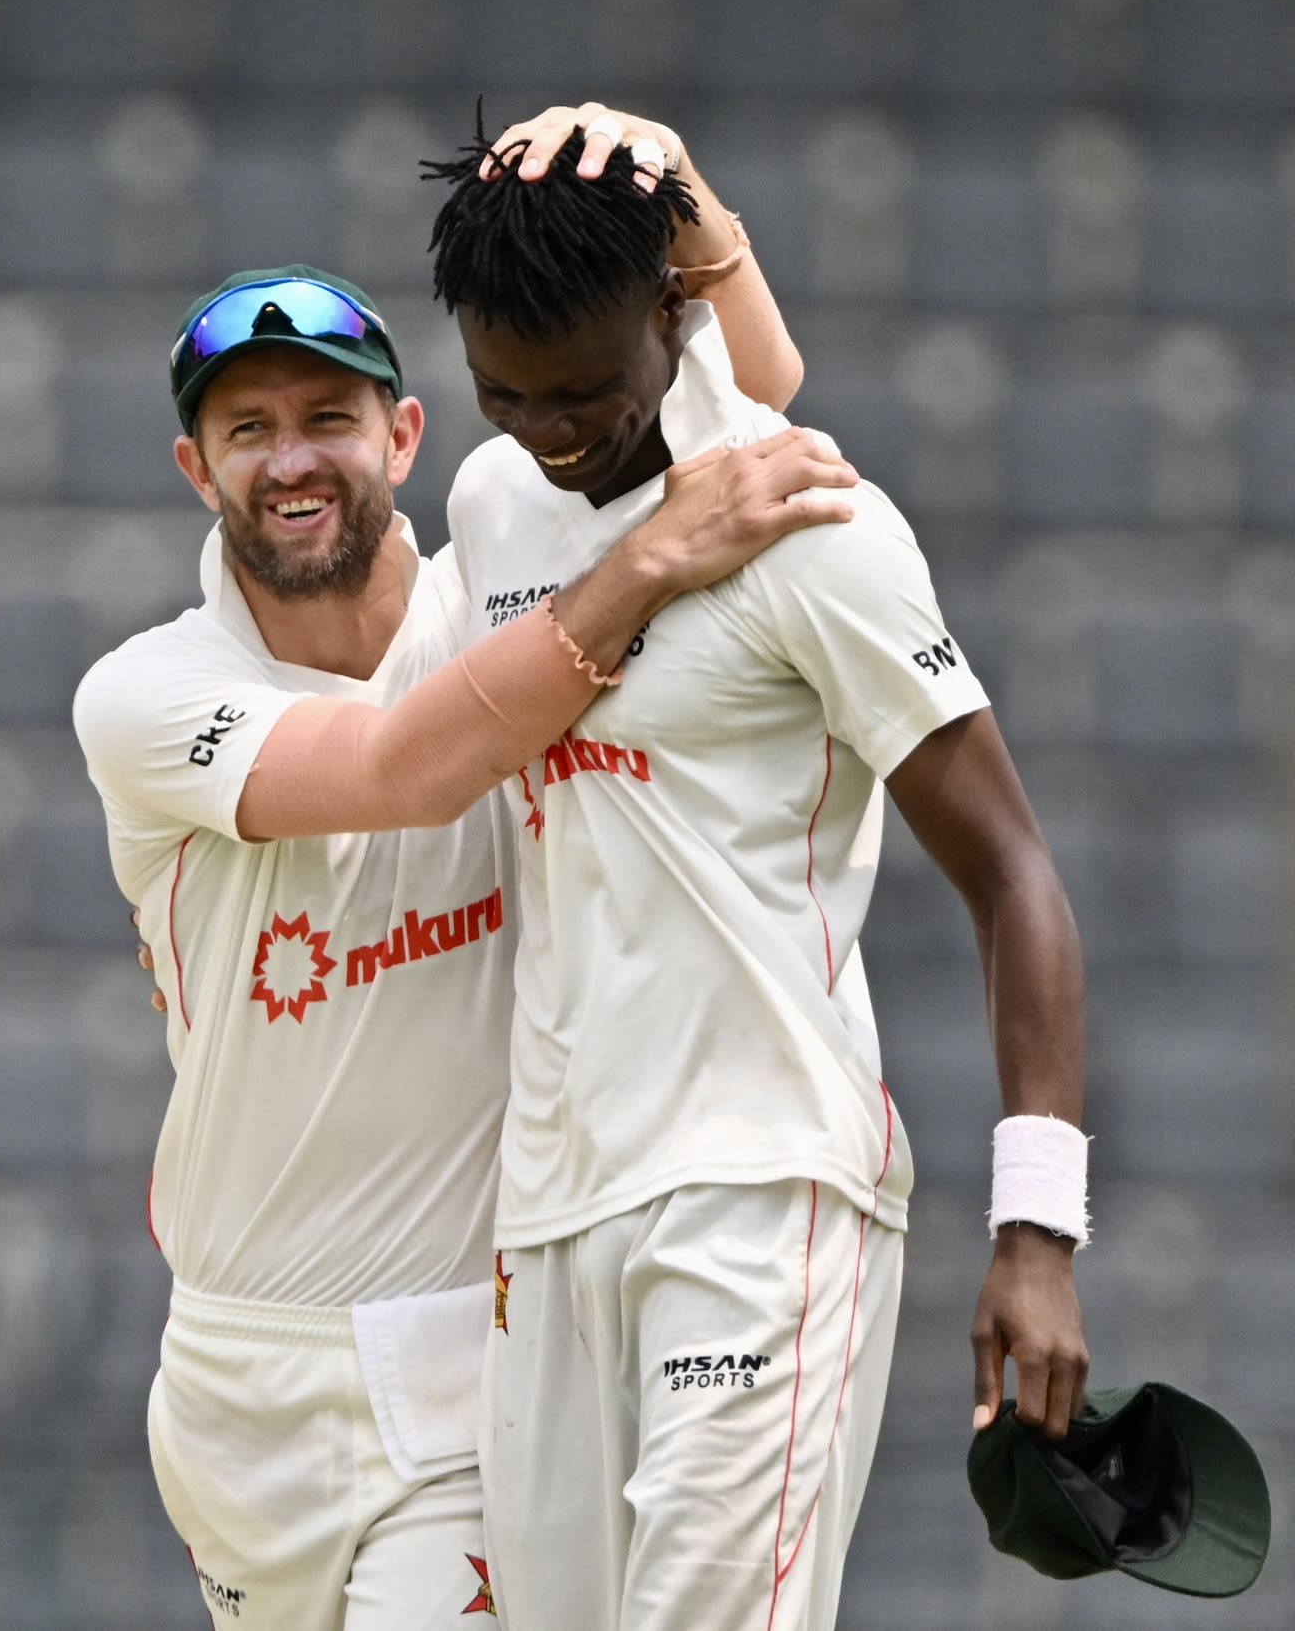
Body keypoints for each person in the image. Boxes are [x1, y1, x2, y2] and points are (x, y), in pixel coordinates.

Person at [73, 106, 857, 1631]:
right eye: (248, 431)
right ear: (195, 467)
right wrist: (643, 568)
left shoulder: (496, 594)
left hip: (464, 1358)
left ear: (405, 436)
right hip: (230, 1379)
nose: (293, 461)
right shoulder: (147, 695)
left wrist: (674, 184)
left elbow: (742, 404)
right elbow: (394, 769)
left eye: (329, 416)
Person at [430, 112, 1092, 1631]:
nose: (546, 431)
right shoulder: (488, 505)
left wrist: (1037, 1232)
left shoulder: (812, 523)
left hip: (759, 1193)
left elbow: (1012, 874)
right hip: (549, 1212)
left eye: (583, 393)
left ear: (673, 311)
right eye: (503, 393)